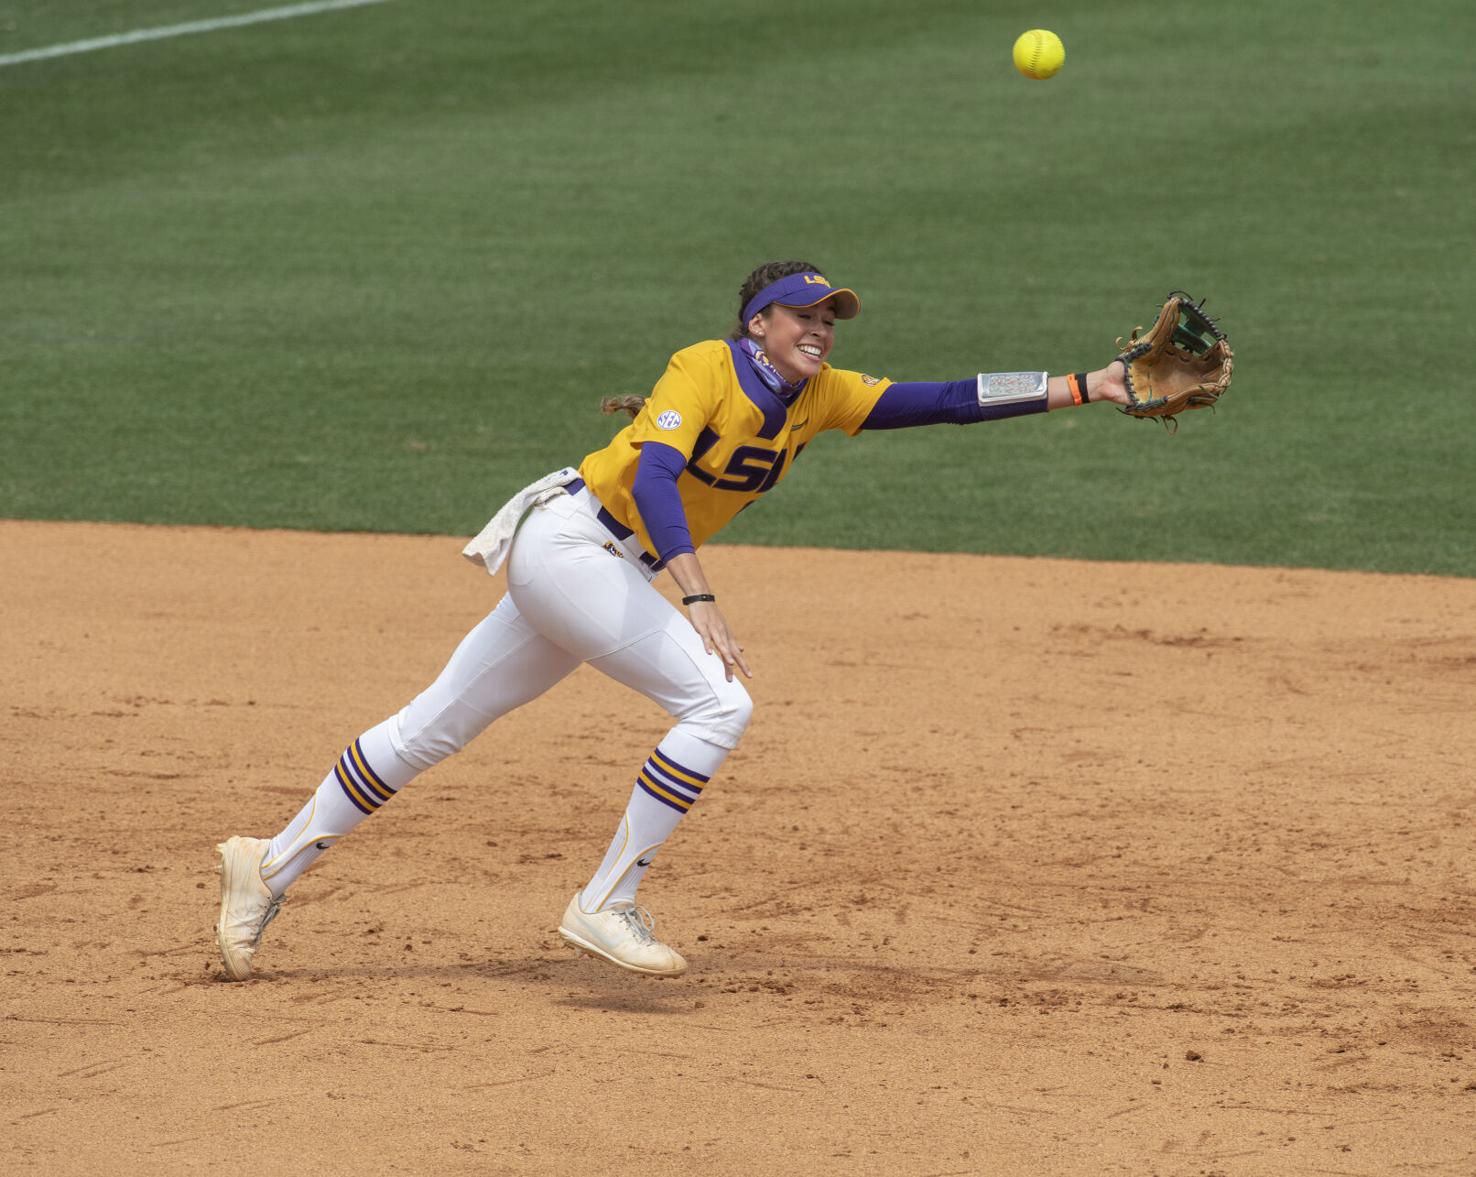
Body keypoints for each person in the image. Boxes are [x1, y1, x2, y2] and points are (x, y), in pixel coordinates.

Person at [214, 260, 1131, 980]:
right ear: (757, 324)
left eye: (829, 318)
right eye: (803, 315)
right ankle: (605, 902)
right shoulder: (706, 364)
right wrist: (697, 597)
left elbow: (946, 400)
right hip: (572, 544)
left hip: (598, 566)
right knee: (719, 705)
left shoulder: (820, 396)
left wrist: (1089, 384)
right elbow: (654, 477)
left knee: (435, 725)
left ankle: (268, 862)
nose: (819, 329)